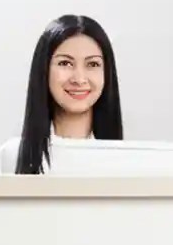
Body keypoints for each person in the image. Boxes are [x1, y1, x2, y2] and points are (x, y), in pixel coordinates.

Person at [12, 15, 123, 174]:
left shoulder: (124, 159)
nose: (79, 79)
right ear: (44, 70)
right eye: (65, 63)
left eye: (92, 64)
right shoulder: (12, 156)